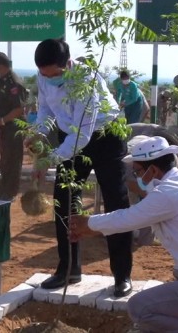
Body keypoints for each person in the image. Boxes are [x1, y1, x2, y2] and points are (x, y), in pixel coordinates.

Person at [71, 136, 178, 333]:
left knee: (140, 308)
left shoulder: (170, 193)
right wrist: (91, 228)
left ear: (152, 170)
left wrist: (87, 223)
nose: (135, 177)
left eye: (137, 172)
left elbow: (127, 218)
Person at [28, 38, 133, 297]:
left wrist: (49, 160)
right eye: (44, 74)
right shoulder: (43, 76)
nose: (49, 79)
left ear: (67, 64)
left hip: (105, 136)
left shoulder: (86, 79)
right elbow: (45, 111)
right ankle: (69, 269)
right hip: (70, 137)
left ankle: (122, 275)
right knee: (64, 200)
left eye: (54, 74)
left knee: (115, 202)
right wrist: (39, 133)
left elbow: (82, 135)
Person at [0, 51, 28, 200]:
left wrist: (2, 120)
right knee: (4, 159)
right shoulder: (3, 80)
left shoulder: (14, 83)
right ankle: (2, 189)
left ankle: (9, 192)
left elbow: (19, 109)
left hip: (13, 128)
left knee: (12, 160)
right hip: (4, 128)